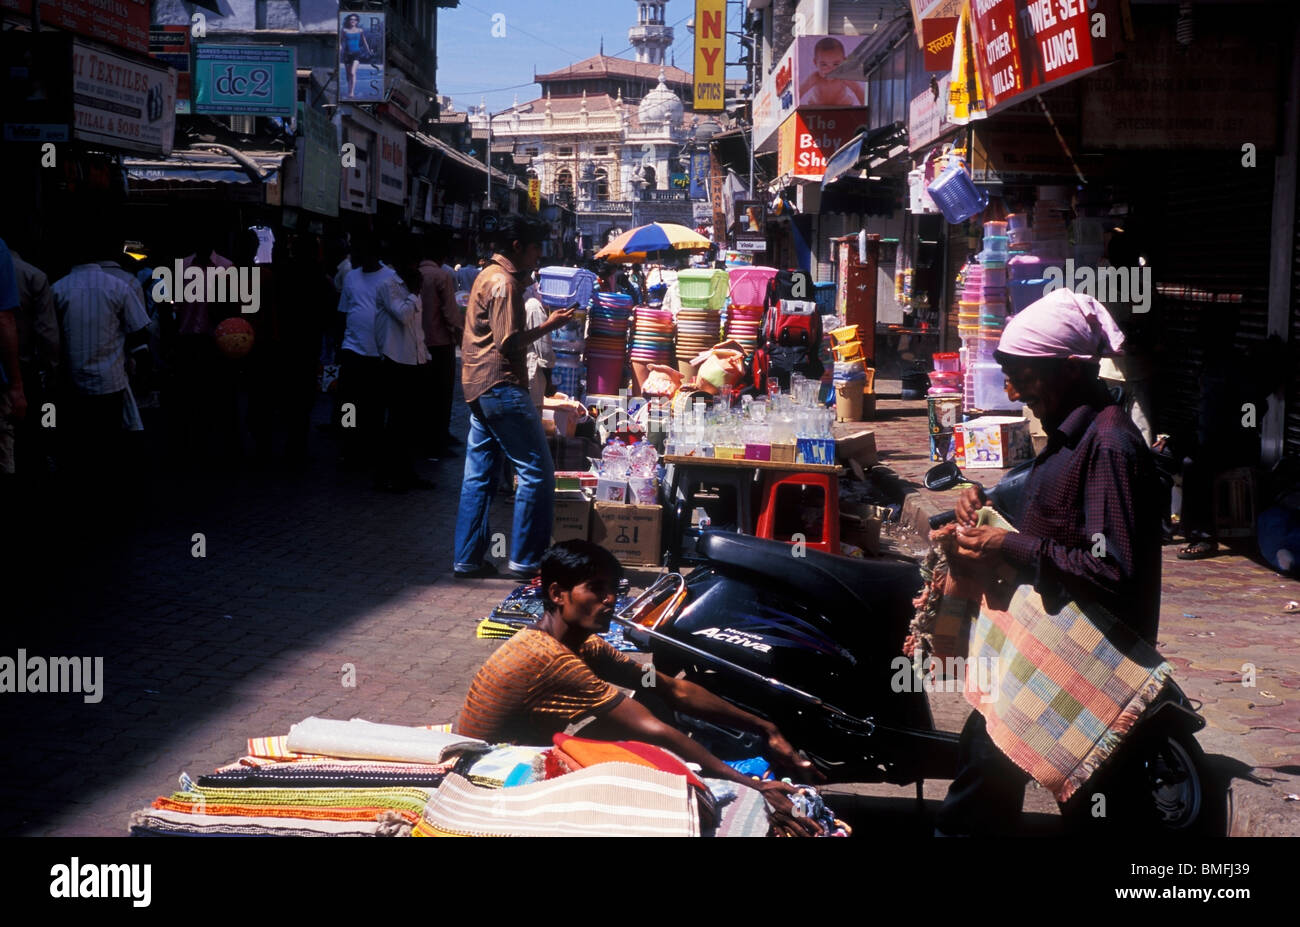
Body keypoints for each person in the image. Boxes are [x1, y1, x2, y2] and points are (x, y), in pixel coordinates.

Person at [934, 288, 1163, 837]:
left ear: (1066, 370)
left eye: (1021, 374)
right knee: (983, 779)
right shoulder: (1069, 435)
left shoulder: (1108, 444)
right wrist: (982, 504)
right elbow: (1050, 513)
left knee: (1090, 809)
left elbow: (1112, 567)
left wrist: (1005, 548)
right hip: (1041, 656)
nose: (1012, 389)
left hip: (1086, 663)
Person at [453, 539, 824, 836]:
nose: (610, 600)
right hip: (487, 773)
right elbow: (654, 730)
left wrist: (765, 727)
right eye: (596, 589)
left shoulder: (582, 643)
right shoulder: (549, 657)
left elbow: (670, 689)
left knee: (649, 700)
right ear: (557, 593)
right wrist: (750, 786)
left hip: (514, 754)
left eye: (614, 589)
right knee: (633, 730)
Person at [452, 216, 574, 580]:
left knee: (479, 476)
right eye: (536, 248)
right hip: (500, 385)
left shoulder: (489, 276)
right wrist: (549, 326)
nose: (539, 256)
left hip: (478, 386)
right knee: (537, 473)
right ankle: (525, 558)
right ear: (518, 247)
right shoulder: (502, 282)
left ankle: (468, 558)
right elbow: (508, 342)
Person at [373, 238, 432, 491]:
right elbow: (404, 315)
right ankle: (386, 474)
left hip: (414, 359)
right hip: (395, 360)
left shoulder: (409, 285)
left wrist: (424, 355)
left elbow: (417, 329)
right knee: (395, 421)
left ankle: (406, 472)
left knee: (410, 421)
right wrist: (415, 294)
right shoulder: (390, 286)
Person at [335, 233, 395, 470]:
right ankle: (348, 445)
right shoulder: (351, 277)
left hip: (379, 354)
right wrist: (339, 346)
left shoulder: (390, 278)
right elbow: (342, 312)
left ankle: (371, 446)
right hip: (352, 350)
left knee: (374, 404)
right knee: (348, 404)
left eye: (362, 252)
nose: (358, 257)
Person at [0, 242, 59, 478]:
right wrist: (52, 370)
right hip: (23, 368)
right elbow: (48, 333)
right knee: (31, 433)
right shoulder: (34, 275)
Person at [416, 239, 462, 459]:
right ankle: (437, 441)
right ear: (442, 257)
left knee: (422, 395)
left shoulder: (415, 273)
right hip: (440, 343)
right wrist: (460, 334)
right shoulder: (441, 276)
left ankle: (425, 438)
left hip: (416, 343)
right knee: (441, 396)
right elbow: (450, 314)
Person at [798, 37, 865, 107]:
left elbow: (858, 90)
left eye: (835, 64)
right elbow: (801, 90)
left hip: (843, 105)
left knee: (847, 102)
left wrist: (864, 109)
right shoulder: (815, 77)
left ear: (844, 62)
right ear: (815, 63)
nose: (830, 69)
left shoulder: (844, 77)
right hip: (818, 106)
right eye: (824, 65)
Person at [339, 14, 373, 99]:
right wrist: (340, 48)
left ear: (357, 21)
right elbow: (340, 41)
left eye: (354, 19)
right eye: (351, 19)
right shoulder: (344, 30)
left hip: (357, 54)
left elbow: (364, 41)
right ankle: (349, 89)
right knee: (348, 75)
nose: (353, 21)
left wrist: (368, 51)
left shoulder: (360, 30)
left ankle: (351, 92)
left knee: (352, 73)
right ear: (348, 21)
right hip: (347, 54)